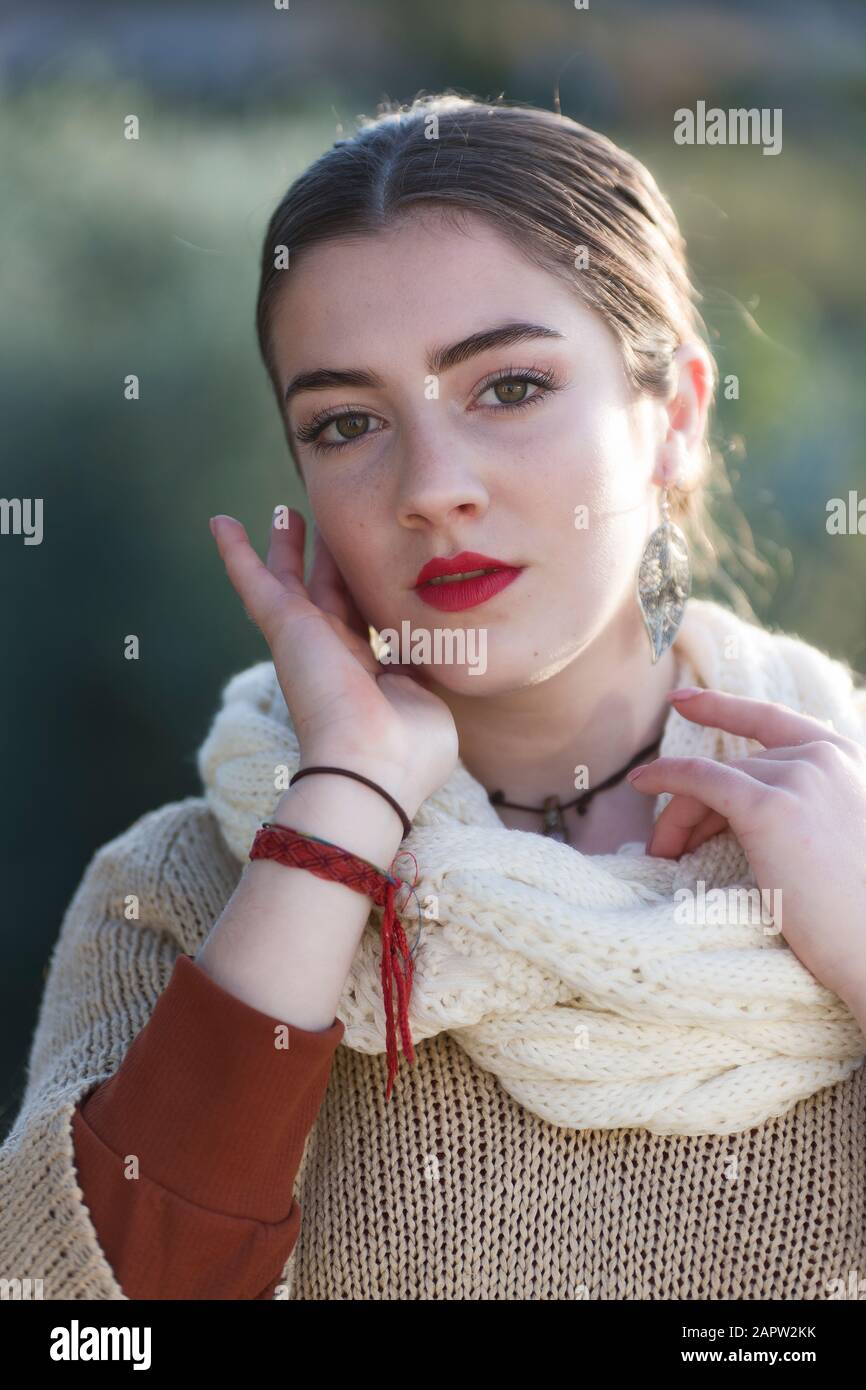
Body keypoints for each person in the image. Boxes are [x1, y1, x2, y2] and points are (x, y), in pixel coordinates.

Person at [3, 93, 866, 1302]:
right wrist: (343, 801)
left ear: (669, 418)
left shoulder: (851, 845)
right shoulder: (179, 893)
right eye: (348, 421)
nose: (431, 487)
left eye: (506, 388)